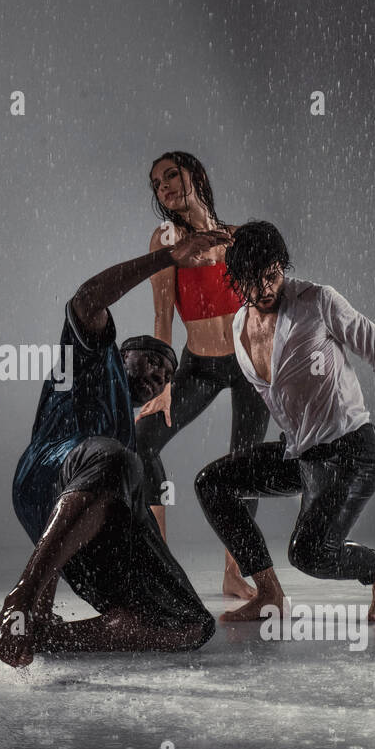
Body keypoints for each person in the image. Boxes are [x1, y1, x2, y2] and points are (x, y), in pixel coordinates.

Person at [0, 229, 236, 667]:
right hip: (48, 472)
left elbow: (68, 533)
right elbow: (87, 298)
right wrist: (168, 257)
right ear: (124, 354)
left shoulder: (128, 436)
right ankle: (18, 605)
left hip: (93, 505)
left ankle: (42, 635)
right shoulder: (93, 358)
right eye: (151, 361)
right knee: (117, 459)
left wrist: (152, 568)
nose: (158, 377)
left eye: (166, 376)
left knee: (189, 623)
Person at [192, 221, 375, 623]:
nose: (265, 290)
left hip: (352, 452)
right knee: (212, 484)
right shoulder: (240, 326)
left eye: (272, 276)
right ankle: (269, 594)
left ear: (282, 267)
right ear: (235, 281)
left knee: (309, 554)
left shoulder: (318, 301)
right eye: (252, 282)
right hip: (302, 454)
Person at [135, 153, 269, 600]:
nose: (164, 186)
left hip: (249, 366)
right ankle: (158, 570)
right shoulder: (166, 240)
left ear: (196, 175)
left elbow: (261, 308)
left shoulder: (235, 238)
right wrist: (162, 381)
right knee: (142, 440)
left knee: (244, 468)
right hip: (201, 366)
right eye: (156, 183)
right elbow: (162, 317)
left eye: (171, 174)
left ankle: (235, 573)